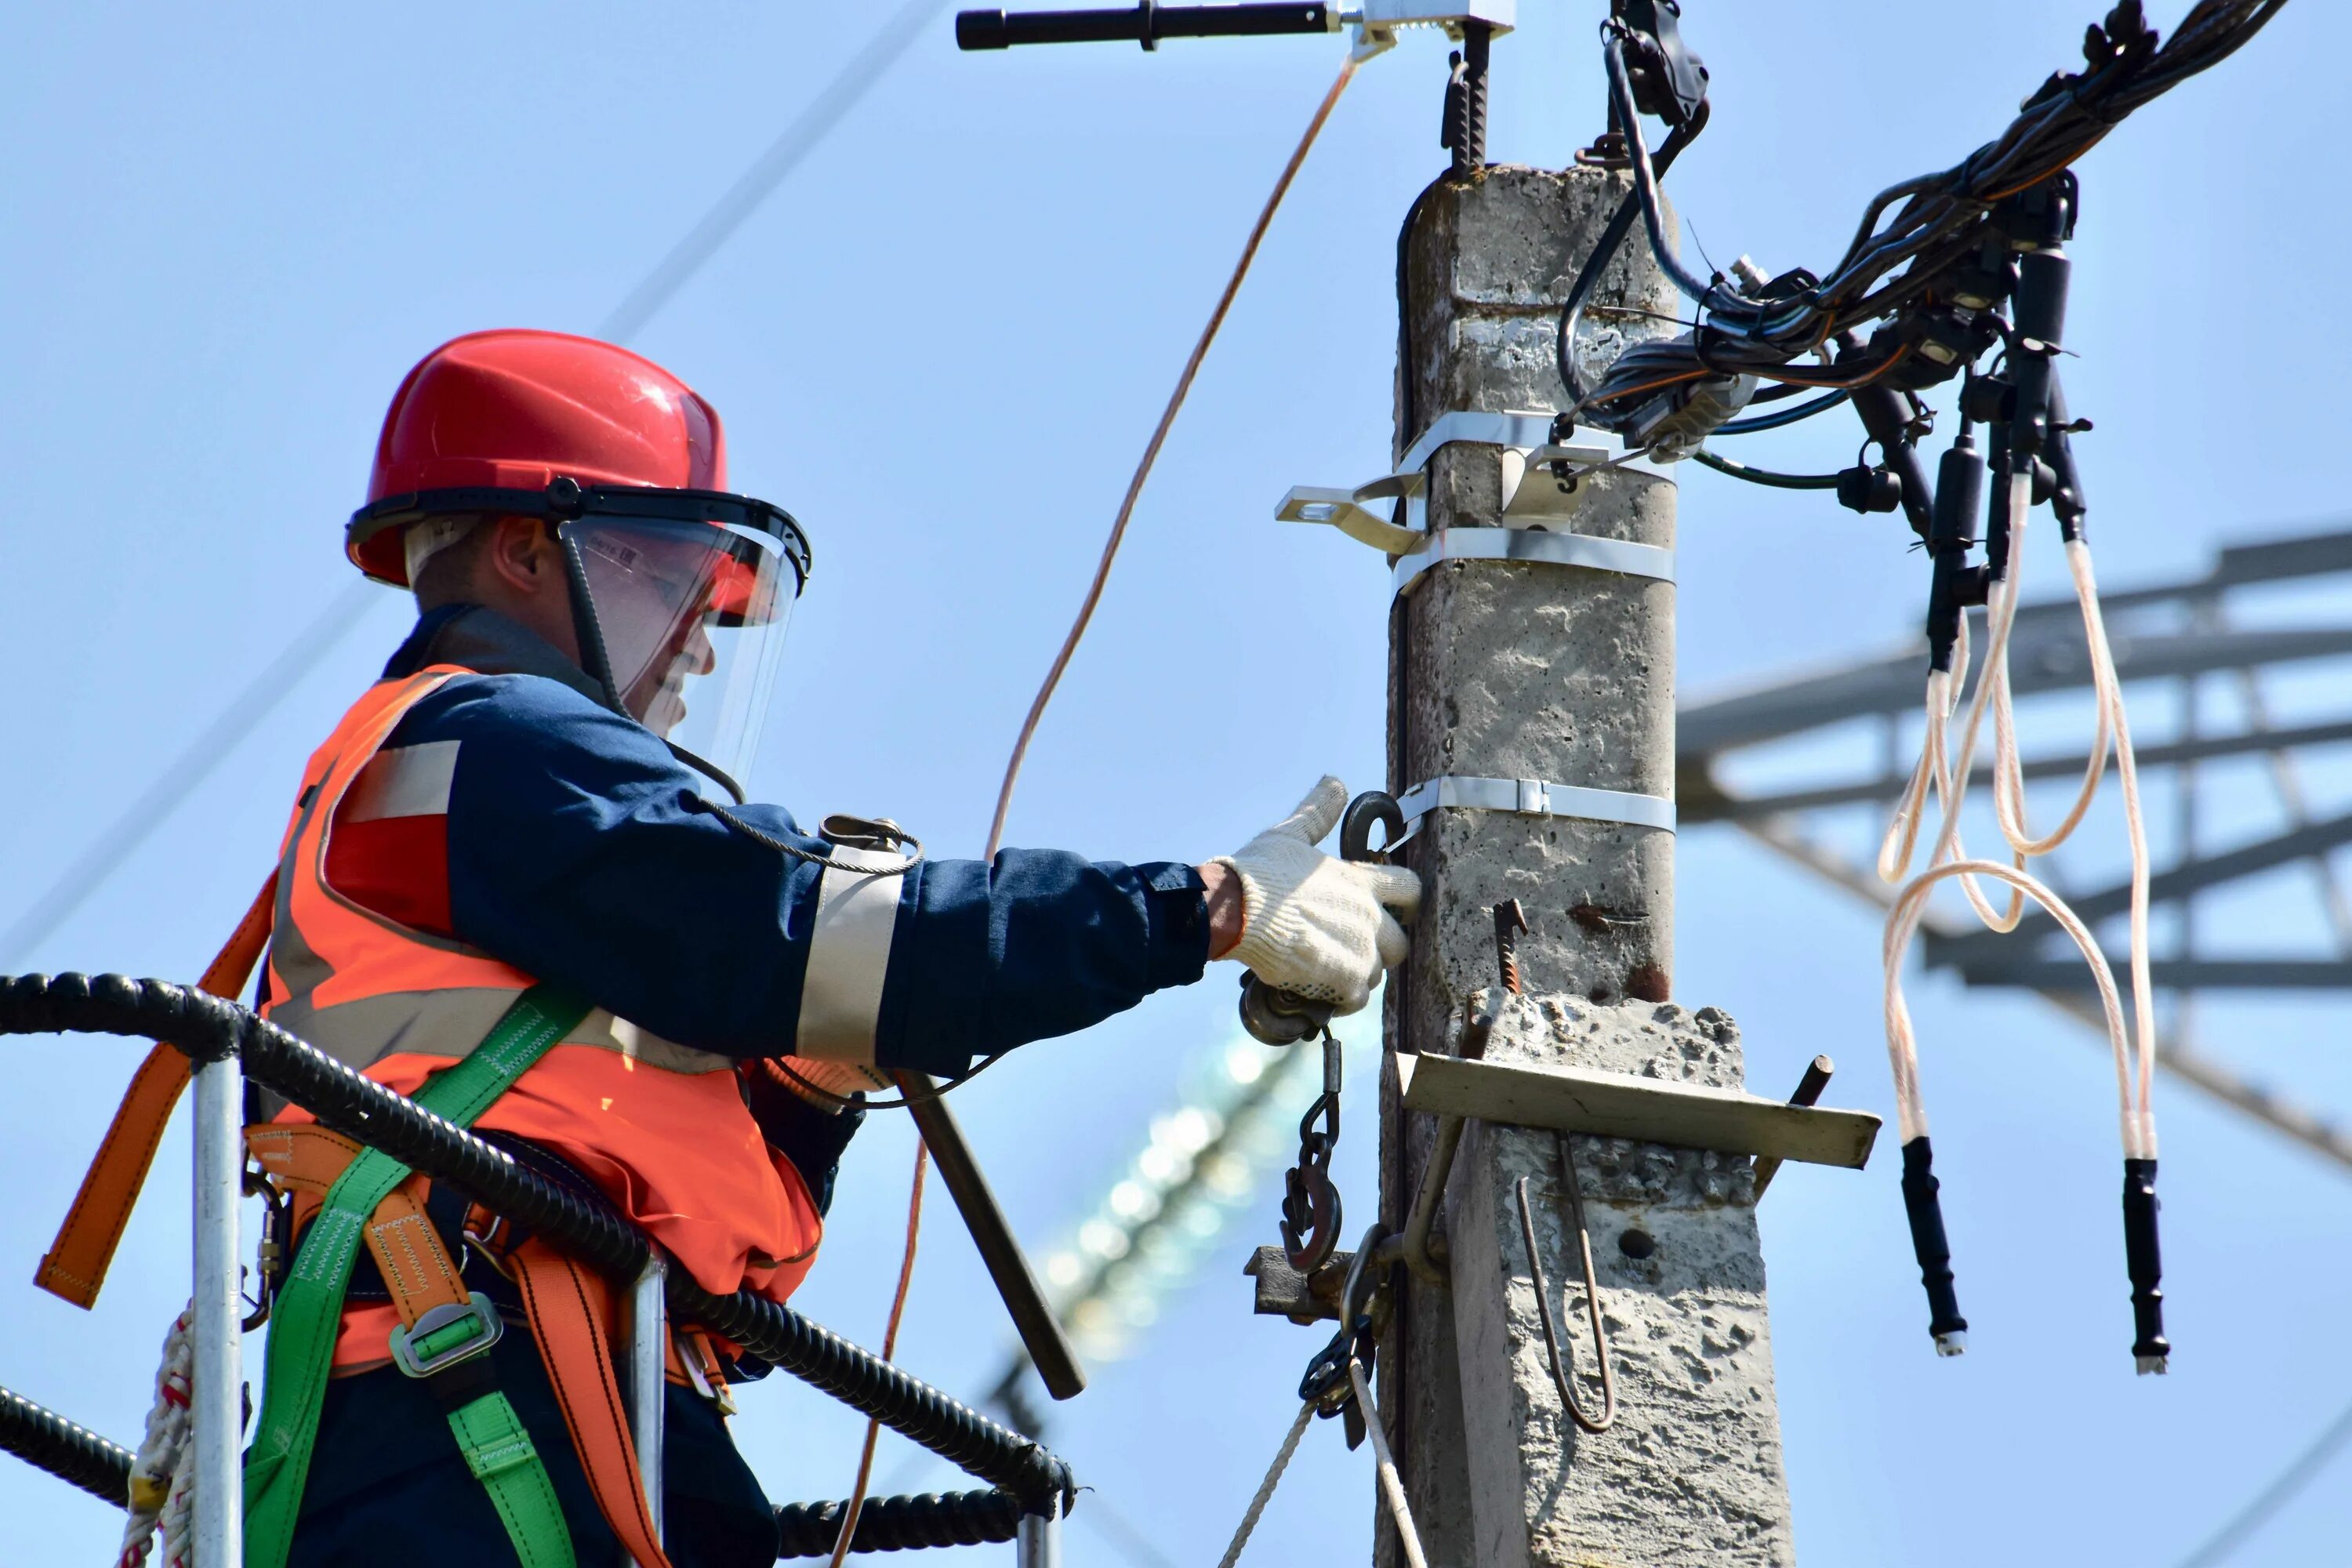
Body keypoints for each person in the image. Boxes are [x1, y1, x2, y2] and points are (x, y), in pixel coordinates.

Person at [245, 328, 1421, 1567]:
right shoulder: (494, 737)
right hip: (478, 1418)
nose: (702, 636)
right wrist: (1201, 907)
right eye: (666, 572)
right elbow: (794, 933)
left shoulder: (486, 812)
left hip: (545, 1389)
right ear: (528, 548)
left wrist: (810, 1089)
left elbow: (723, 1255)